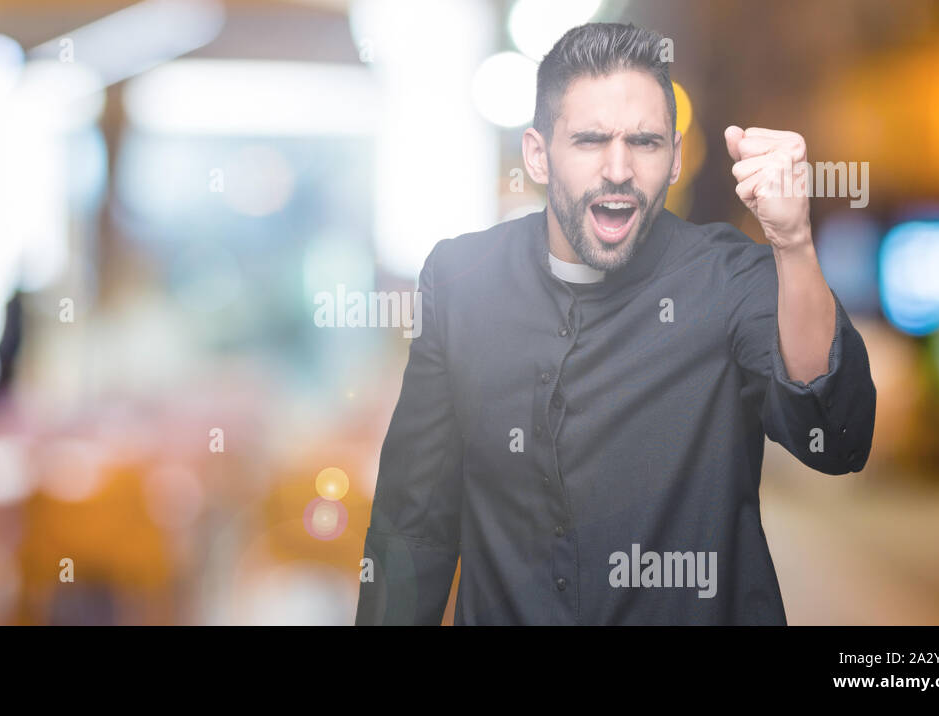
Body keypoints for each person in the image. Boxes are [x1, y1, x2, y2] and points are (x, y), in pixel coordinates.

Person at [354, 22, 876, 625]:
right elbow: (413, 525)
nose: (619, 168)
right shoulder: (461, 279)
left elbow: (835, 438)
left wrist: (792, 242)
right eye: (590, 140)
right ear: (538, 155)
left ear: (676, 158)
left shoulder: (731, 277)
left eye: (646, 142)